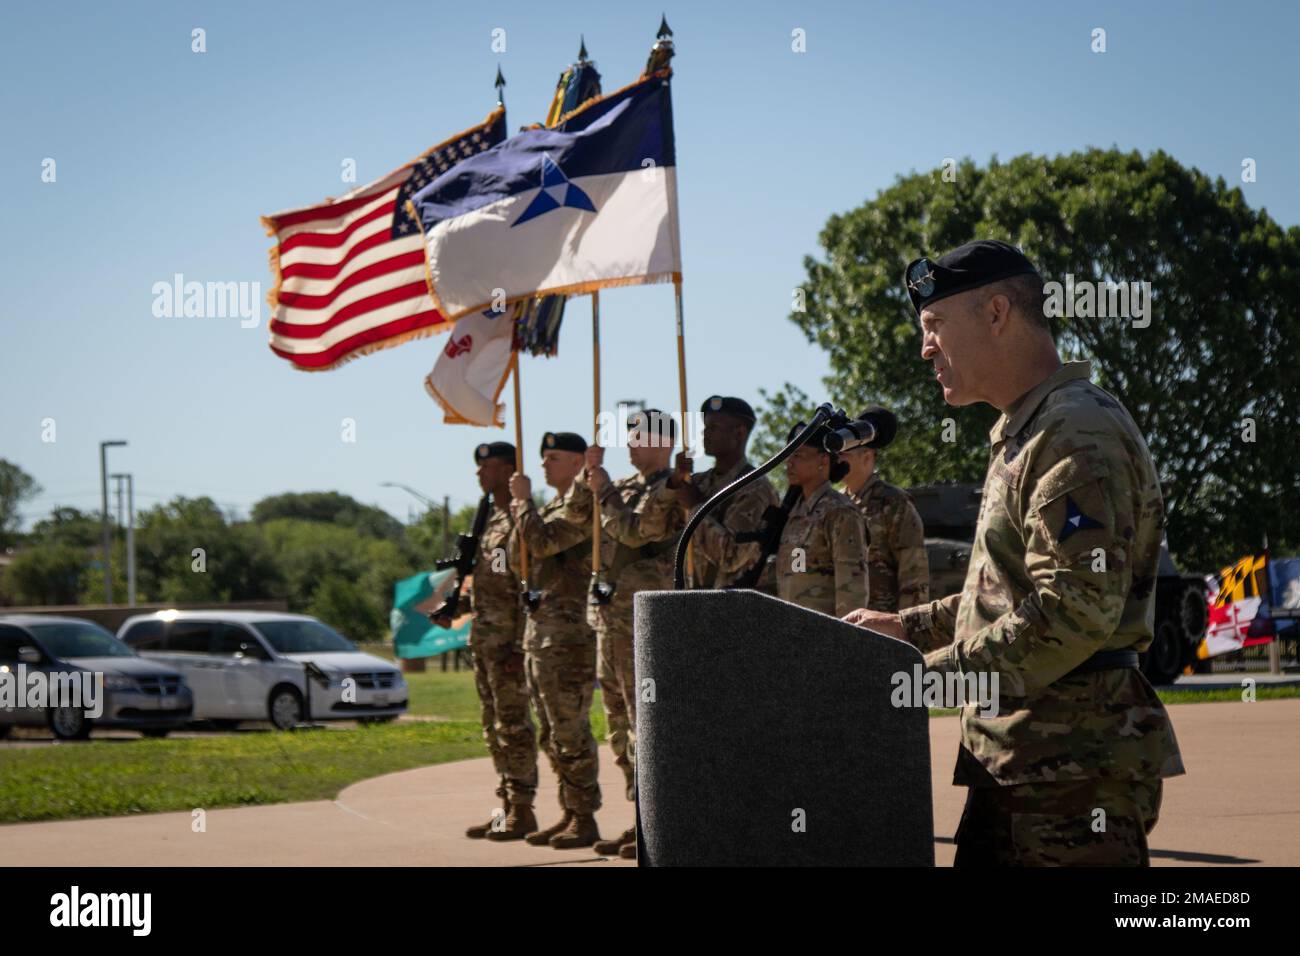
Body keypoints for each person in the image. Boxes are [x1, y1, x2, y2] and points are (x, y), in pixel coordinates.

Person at [844, 239, 1184, 866]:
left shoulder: (1073, 429)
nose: (925, 347)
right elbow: (1009, 590)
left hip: (1072, 774)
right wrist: (908, 627)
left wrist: (923, 681)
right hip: (1026, 761)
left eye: (934, 324)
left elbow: (1074, 610)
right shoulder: (1030, 429)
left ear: (997, 313)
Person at [583, 409, 684, 860]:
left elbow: (638, 531)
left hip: (646, 619)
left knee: (647, 722)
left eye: (640, 437)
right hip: (612, 619)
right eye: (629, 437)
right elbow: (601, 553)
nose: (632, 445)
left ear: (663, 441)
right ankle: (637, 816)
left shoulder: (668, 487)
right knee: (619, 724)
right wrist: (597, 482)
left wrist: (602, 490)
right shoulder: (622, 489)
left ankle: (659, 821)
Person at [509, 431, 602, 850]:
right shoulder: (548, 507)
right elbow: (518, 558)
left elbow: (544, 542)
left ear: (580, 462)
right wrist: (526, 511)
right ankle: (568, 812)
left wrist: (523, 504)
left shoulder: (585, 506)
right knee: (549, 732)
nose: (544, 464)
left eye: (554, 457)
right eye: (543, 457)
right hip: (541, 634)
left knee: (570, 729)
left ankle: (584, 816)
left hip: (570, 636)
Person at [444, 442, 538, 841]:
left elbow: (527, 584)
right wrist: (455, 605)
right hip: (484, 638)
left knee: (514, 726)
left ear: (509, 471)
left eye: (488, 466)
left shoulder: (522, 517)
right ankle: (506, 806)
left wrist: (519, 645)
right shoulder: (488, 518)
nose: (480, 473)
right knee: (493, 726)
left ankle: (523, 810)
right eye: (479, 466)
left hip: (507, 643)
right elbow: (489, 582)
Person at [649, 396, 779, 588]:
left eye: (714, 428)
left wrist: (695, 508)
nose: (705, 434)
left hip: (734, 606)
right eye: (705, 428)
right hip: (692, 602)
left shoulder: (754, 488)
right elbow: (652, 529)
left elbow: (731, 556)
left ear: (740, 433)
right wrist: (673, 482)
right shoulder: (696, 483)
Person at [838, 407, 931, 612]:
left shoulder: (894, 503)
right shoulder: (837, 505)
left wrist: (906, 629)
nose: (837, 460)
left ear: (867, 457)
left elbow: (914, 575)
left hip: (882, 627)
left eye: (844, 454)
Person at [776, 422, 868, 617]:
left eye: (798, 455)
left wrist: (846, 640)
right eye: (789, 455)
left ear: (823, 461)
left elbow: (851, 591)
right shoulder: (794, 513)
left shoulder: (840, 512)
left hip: (825, 637)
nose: (789, 462)